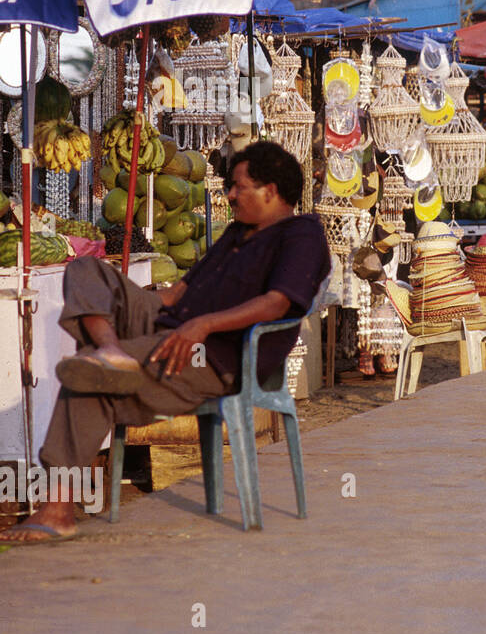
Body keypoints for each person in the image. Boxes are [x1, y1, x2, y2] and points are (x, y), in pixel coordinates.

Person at [0, 141, 330, 545]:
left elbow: (276, 302)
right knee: (86, 270)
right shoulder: (237, 234)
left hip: (217, 356)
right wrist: (121, 303)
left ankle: (58, 509)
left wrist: (204, 325)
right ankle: (111, 349)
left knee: (89, 376)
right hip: (168, 323)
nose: (229, 195)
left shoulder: (302, 234)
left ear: (271, 190)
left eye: (238, 187)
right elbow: (177, 294)